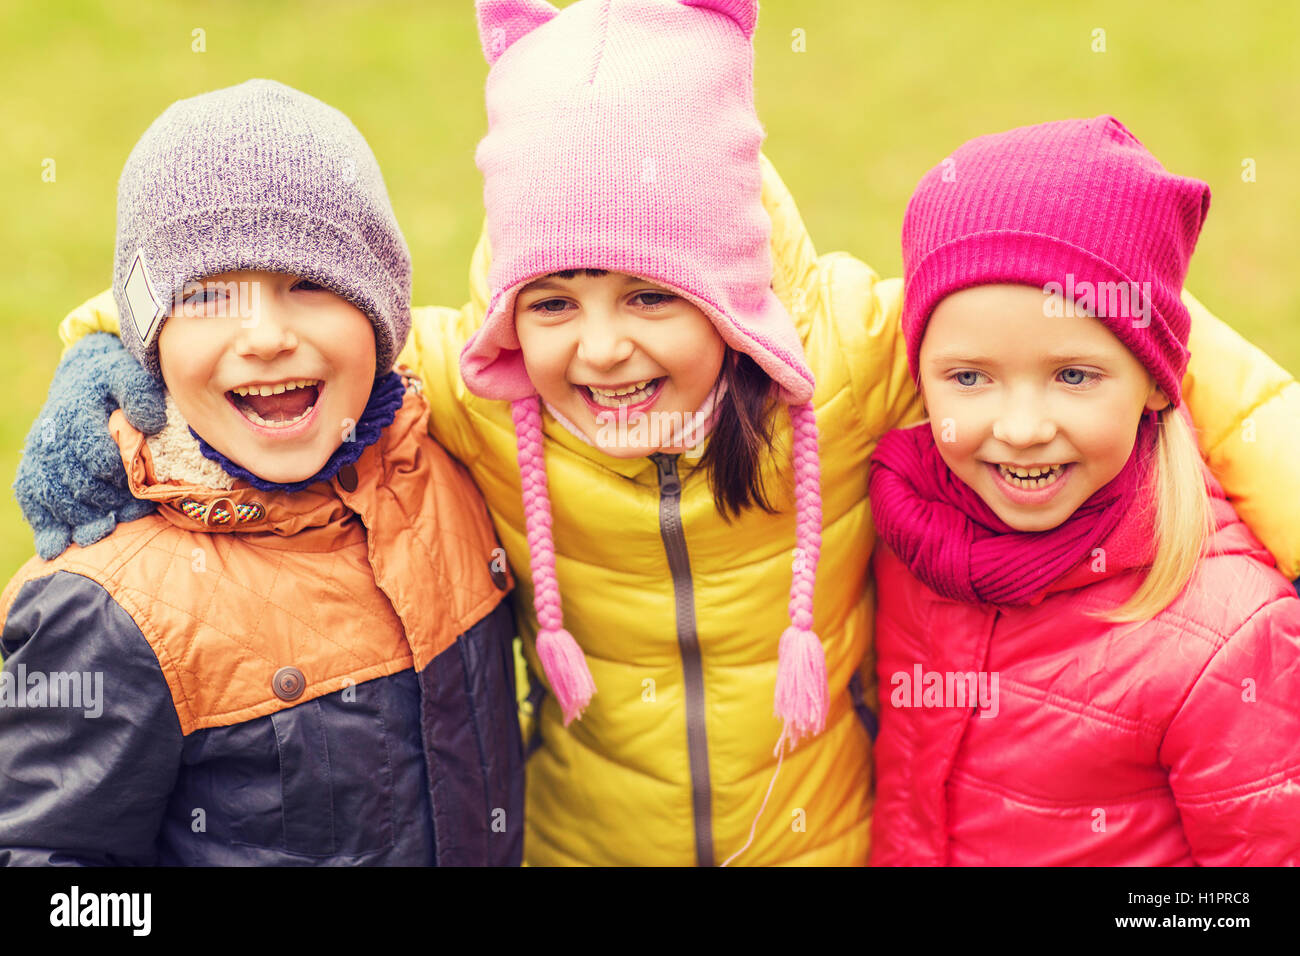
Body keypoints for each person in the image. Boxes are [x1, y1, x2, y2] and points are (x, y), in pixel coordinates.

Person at [13, 1, 1300, 866]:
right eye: (555, 300)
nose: (603, 347)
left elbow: (1124, 332)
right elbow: (288, 318)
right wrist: (106, 367)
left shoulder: (853, 356)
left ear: (735, 295)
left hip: (820, 843)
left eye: (651, 296)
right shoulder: (474, 390)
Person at [0, 79, 523, 865]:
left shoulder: (448, 462)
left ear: (384, 317)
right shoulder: (106, 609)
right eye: (209, 296)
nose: (267, 335)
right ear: (150, 340)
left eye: (308, 284)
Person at [867, 116, 1300, 866]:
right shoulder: (900, 529)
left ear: (1157, 386)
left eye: (1073, 375)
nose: (1024, 427)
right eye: (969, 377)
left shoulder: (1231, 635)